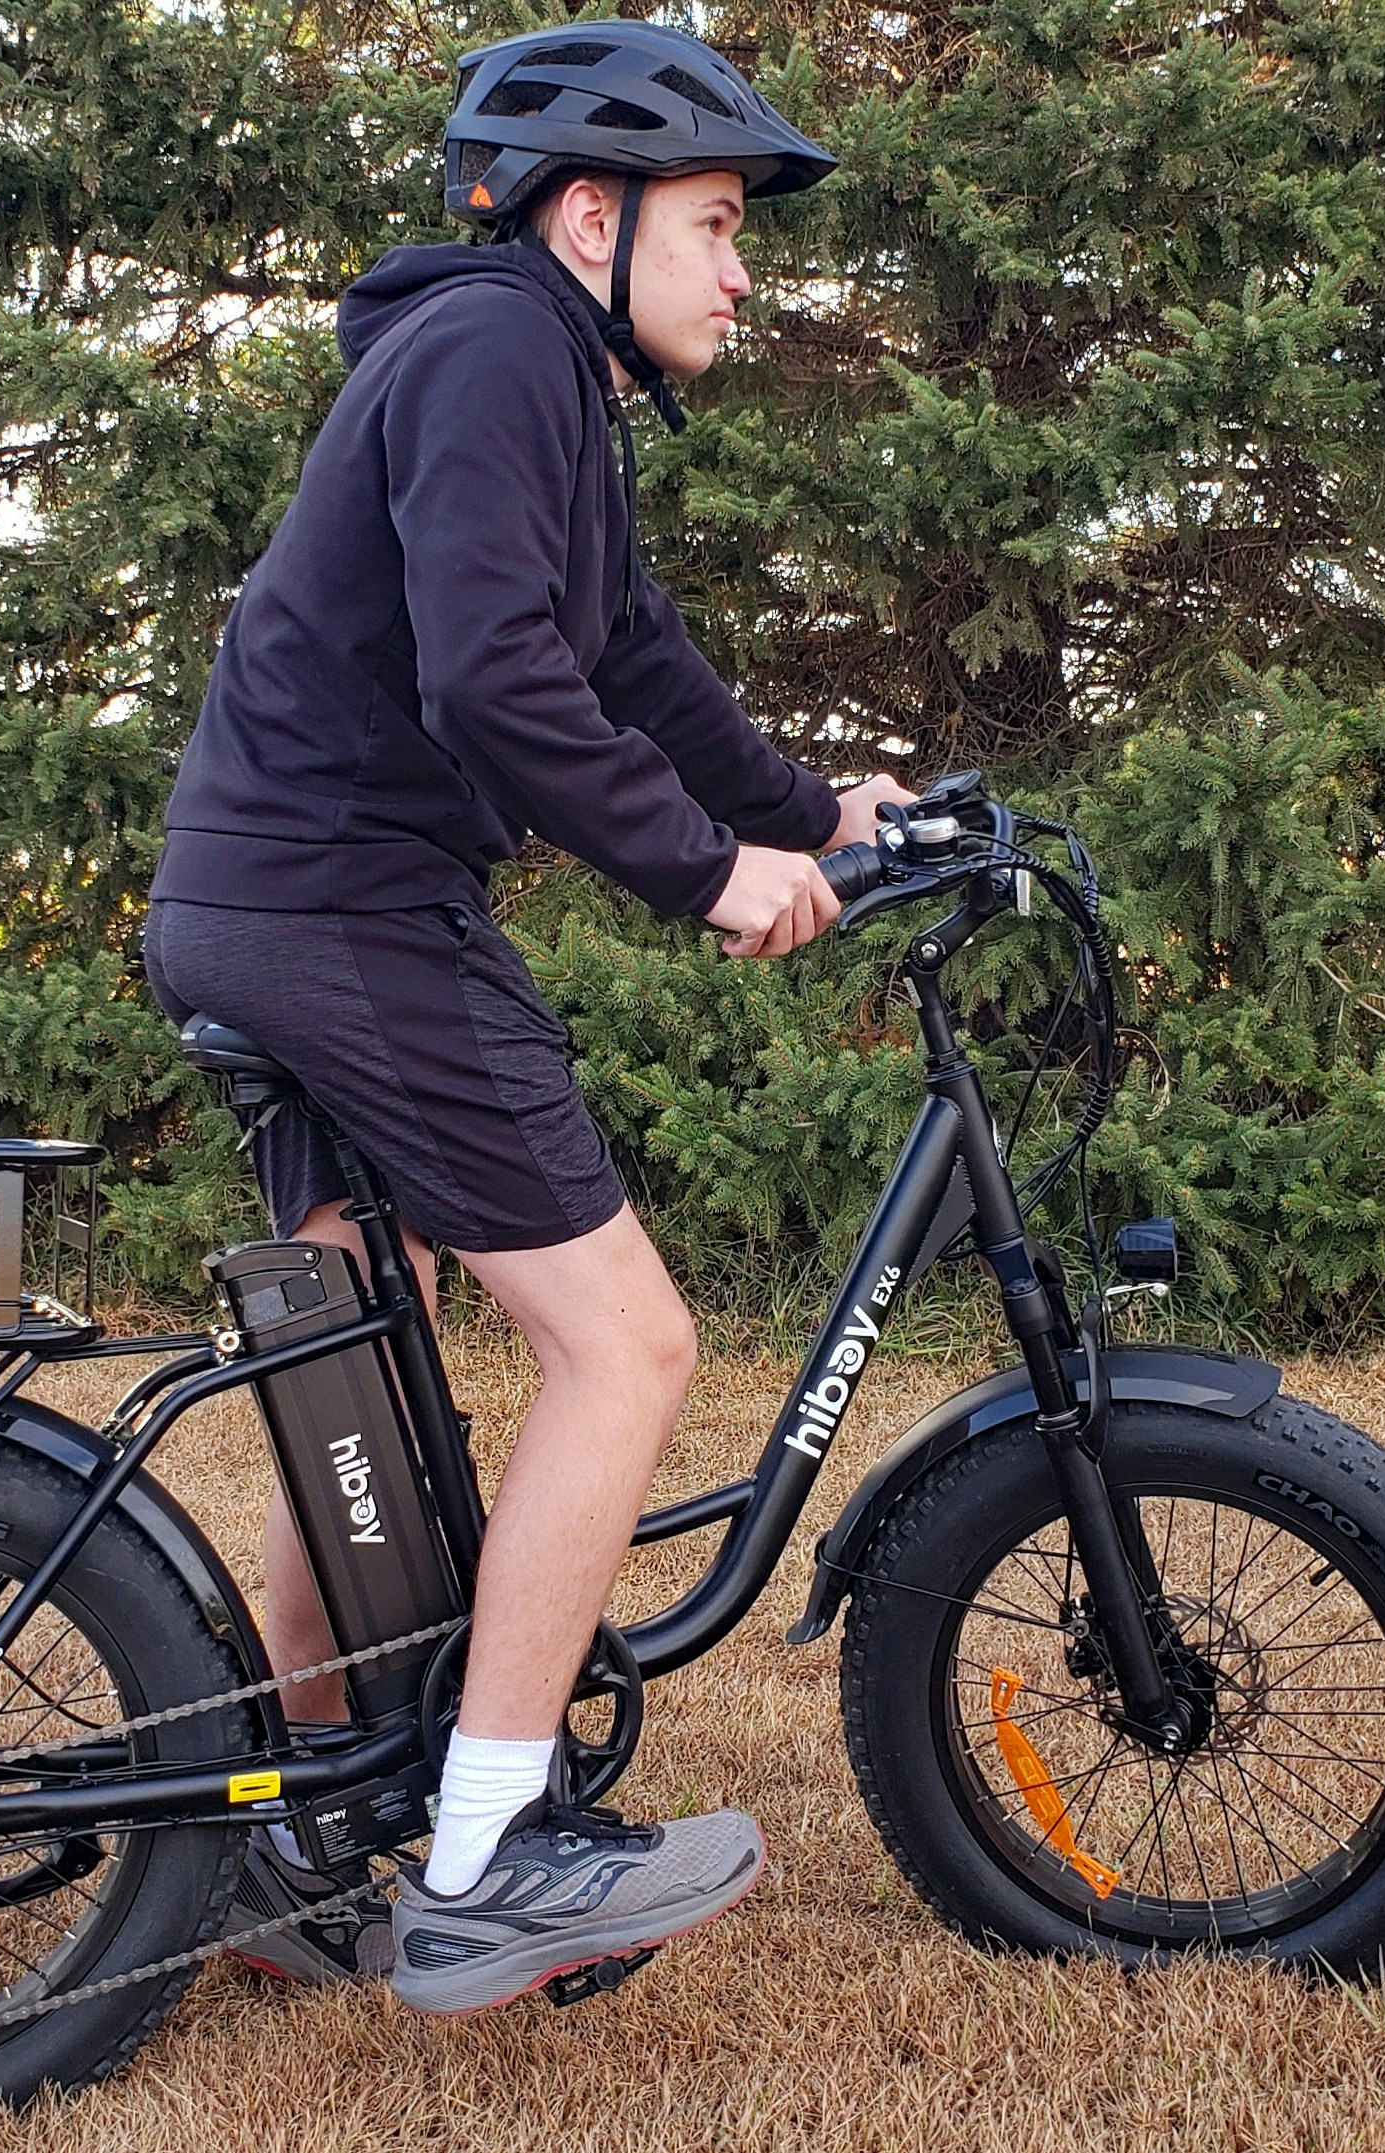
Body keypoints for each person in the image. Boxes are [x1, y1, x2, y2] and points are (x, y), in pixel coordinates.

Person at [143, 21, 906, 2014]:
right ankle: (496, 1844)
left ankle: (303, 1834)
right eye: (721, 224)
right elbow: (499, 684)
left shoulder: (521, 374)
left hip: (266, 901)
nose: (744, 272)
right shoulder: (500, 355)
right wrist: (704, 872)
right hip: (351, 912)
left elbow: (628, 659)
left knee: (354, 1408)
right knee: (629, 1348)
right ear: (595, 213)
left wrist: (811, 815)